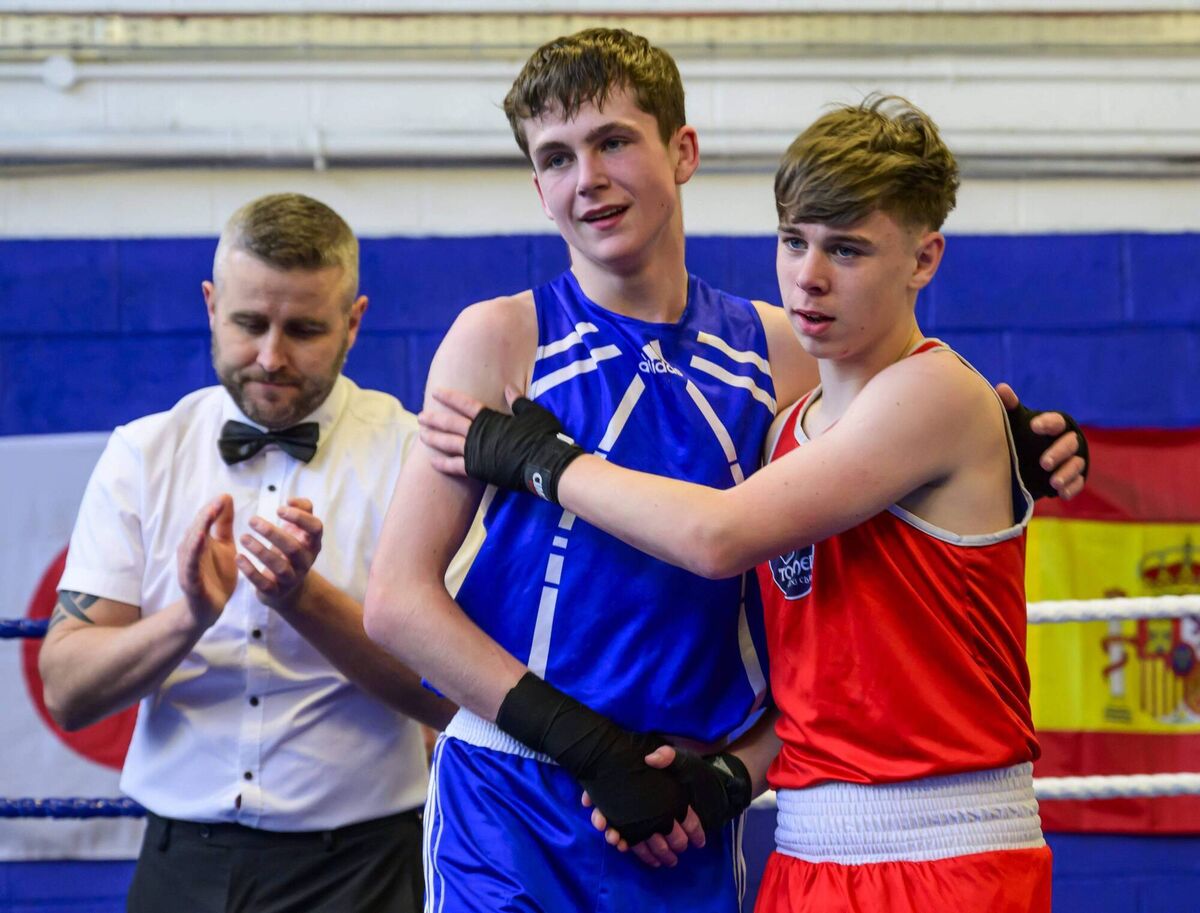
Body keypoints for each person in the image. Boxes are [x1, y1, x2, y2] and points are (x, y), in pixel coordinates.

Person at [363, 29, 1082, 913]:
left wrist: (1021, 442)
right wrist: (581, 742)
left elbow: (820, 568)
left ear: (684, 151)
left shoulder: (786, 352)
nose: (586, 176)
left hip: (688, 810)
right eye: (555, 156)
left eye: (614, 141)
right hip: (513, 794)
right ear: (537, 186)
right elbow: (397, 598)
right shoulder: (503, 336)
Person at [38, 193, 455, 913]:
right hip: (179, 862)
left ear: (354, 322)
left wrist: (305, 599)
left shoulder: (413, 456)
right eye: (248, 323)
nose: (271, 356)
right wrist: (187, 616)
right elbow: (68, 691)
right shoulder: (143, 453)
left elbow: (456, 697)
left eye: (304, 329)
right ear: (210, 303)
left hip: (364, 869)